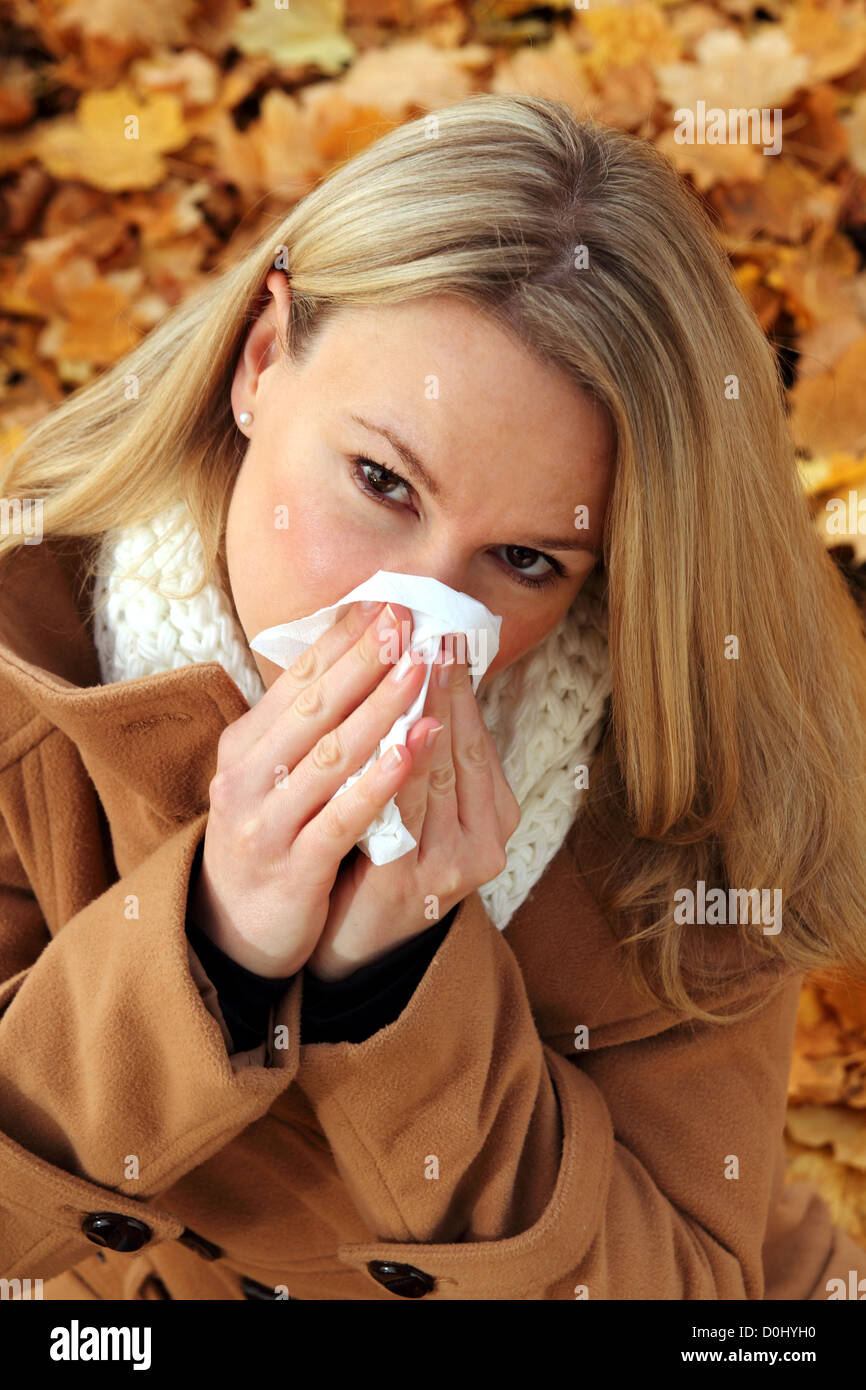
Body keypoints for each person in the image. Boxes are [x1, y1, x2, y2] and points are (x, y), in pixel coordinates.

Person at [1, 92, 865, 1302]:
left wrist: (398, 993)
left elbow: (681, 1295)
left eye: (524, 562)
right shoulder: (23, 669)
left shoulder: (686, 790)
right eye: (378, 480)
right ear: (261, 361)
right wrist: (208, 942)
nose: (408, 618)